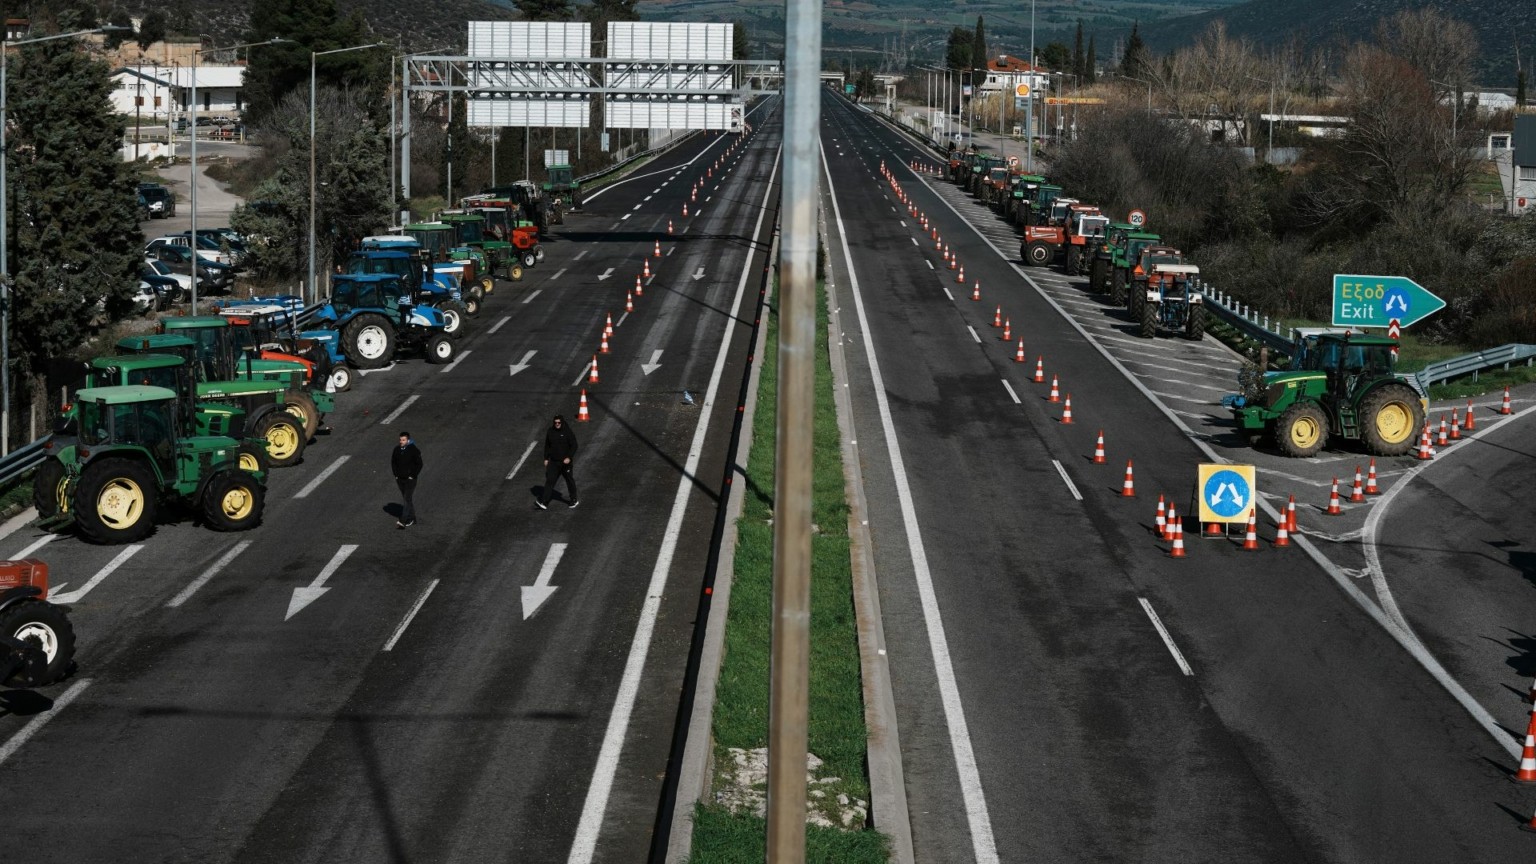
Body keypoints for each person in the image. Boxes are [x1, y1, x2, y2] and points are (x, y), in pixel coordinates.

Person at [537, 414, 579, 510]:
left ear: (562, 422)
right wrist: (546, 458)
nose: (557, 424)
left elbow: (574, 445)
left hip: (565, 463)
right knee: (550, 481)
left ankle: (574, 499)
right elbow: (547, 445)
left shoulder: (567, 432)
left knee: (569, 481)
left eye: (559, 422)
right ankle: (544, 502)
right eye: (555, 422)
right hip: (554, 462)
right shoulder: (550, 431)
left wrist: (569, 457)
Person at [392, 431, 422, 527]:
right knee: (407, 500)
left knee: (407, 499)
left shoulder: (414, 450)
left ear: (408, 440)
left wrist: (412, 475)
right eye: (400, 440)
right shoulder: (397, 449)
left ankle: (403, 520)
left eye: (403, 440)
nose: (401, 441)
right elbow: (393, 462)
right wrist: (396, 475)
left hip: (410, 480)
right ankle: (413, 519)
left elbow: (419, 464)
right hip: (400, 479)